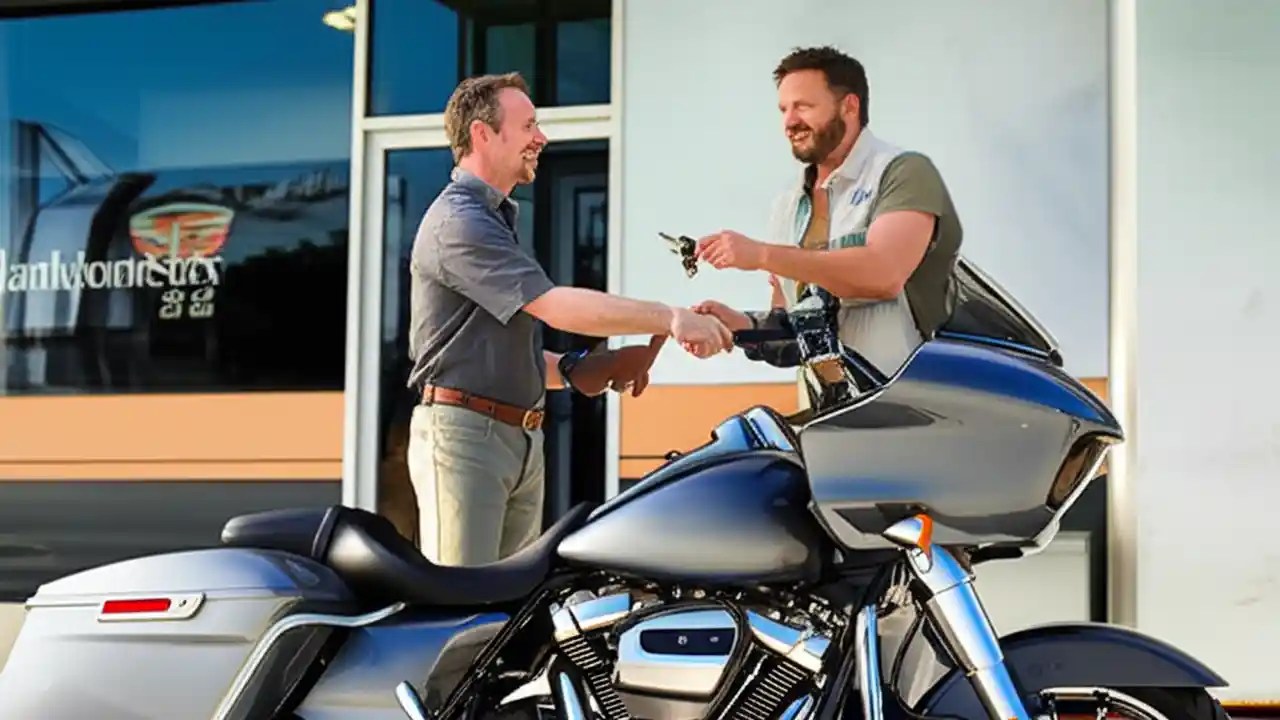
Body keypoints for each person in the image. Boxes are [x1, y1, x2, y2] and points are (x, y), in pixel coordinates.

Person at [407, 72, 732, 567]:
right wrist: (669, 317)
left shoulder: (496, 218)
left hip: (513, 439)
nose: (542, 138)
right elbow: (555, 304)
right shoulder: (460, 222)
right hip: (467, 439)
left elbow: (492, 351)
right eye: (529, 126)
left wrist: (584, 367)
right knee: (461, 612)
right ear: (482, 134)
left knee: (506, 616)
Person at [692, 46, 963, 383]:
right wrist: (739, 327)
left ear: (849, 106)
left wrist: (762, 255)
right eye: (783, 109)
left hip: (914, 405)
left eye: (803, 107)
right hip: (831, 417)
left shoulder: (903, 172)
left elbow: (883, 273)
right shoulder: (787, 204)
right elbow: (795, 333)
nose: (790, 122)